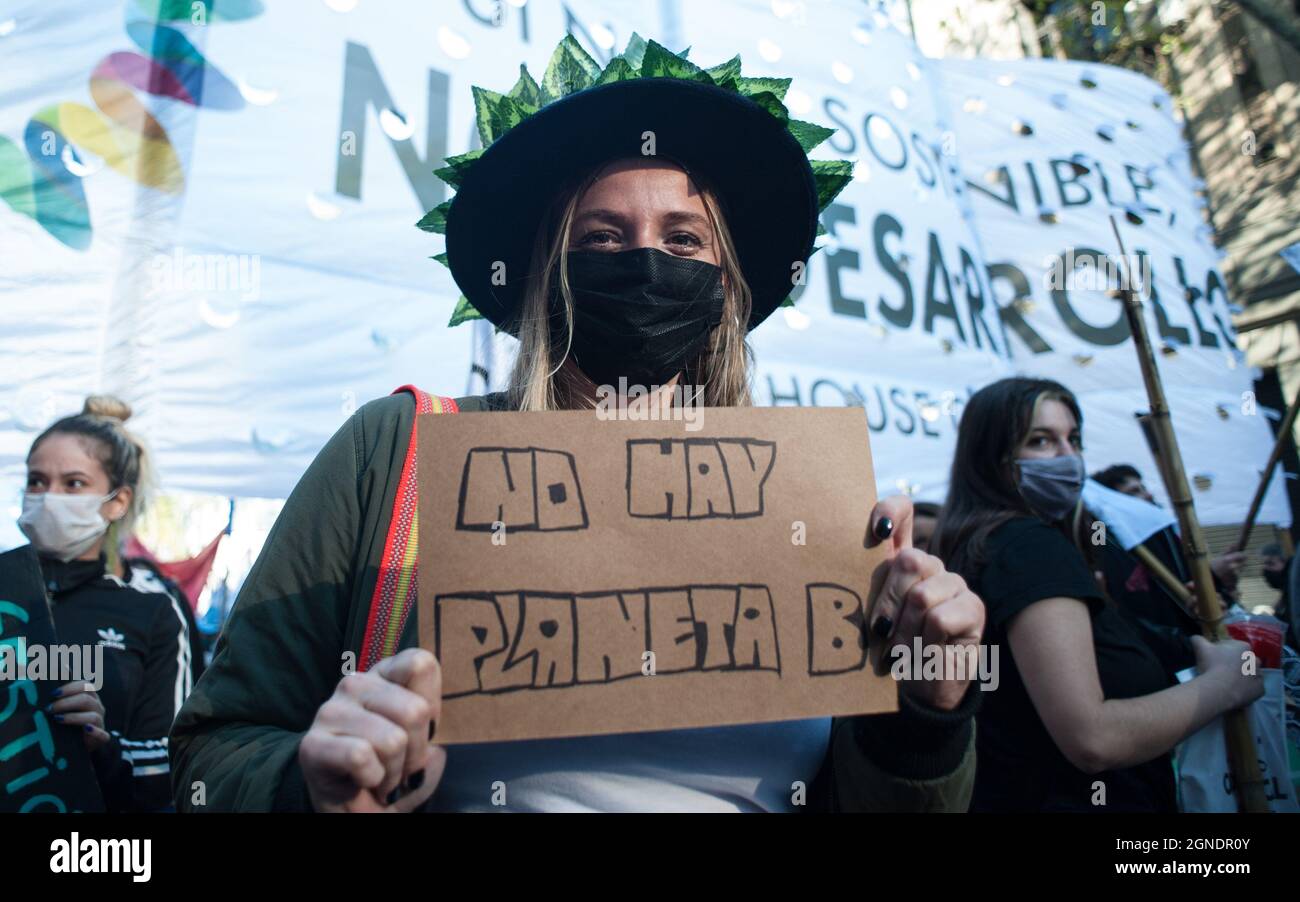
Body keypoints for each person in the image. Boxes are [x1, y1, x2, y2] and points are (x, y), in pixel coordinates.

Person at [169, 35, 985, 813]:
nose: (645, 261)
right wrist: (308, 787)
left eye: (684, 238)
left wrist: (928, 706)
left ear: (726, 284)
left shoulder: (811, 503)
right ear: (543, 275)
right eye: (601, 236)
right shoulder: (395, 454)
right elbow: (215, 750)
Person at [932, 377, 1261, 811]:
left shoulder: (981, 546)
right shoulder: (1028, 547)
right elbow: (1092, 738)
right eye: (1041, 441)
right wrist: (1225, 684)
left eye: (1074, 439)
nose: (1069, 459)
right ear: (991, 457)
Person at [18, 395, 194, 812]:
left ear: (117, 501)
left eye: (74, 484)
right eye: (37, 481)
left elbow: (182, 759)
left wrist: (102, 745)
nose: (48, 497)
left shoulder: (153, 611)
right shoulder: (8, 592)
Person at [1092, 461, 1246, 598]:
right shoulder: (1102, 535)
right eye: (1134, 491)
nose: (1148, 494)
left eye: (1143, 487)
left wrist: (1220, 581)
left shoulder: (1165, 533)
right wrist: (1211, 575)